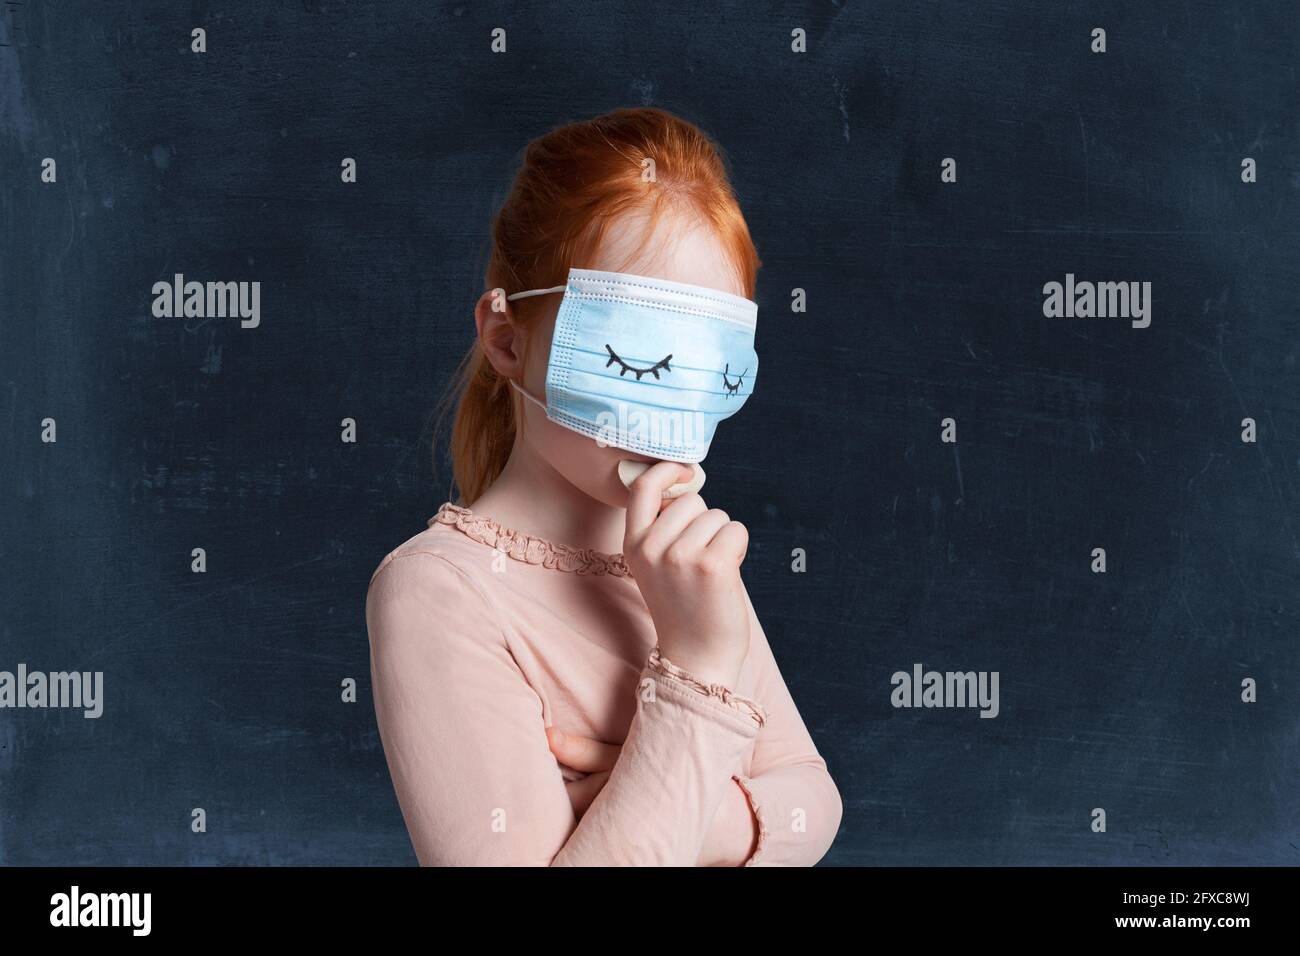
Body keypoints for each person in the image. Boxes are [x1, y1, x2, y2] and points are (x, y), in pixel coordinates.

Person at [366, 106, 842, 865]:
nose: (668, 412)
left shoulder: (685, 562)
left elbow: (814, 801)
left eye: (711, 370)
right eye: (635, 362)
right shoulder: (438, 592)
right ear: (507, 340)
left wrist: (704, 818)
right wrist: (695, 670)